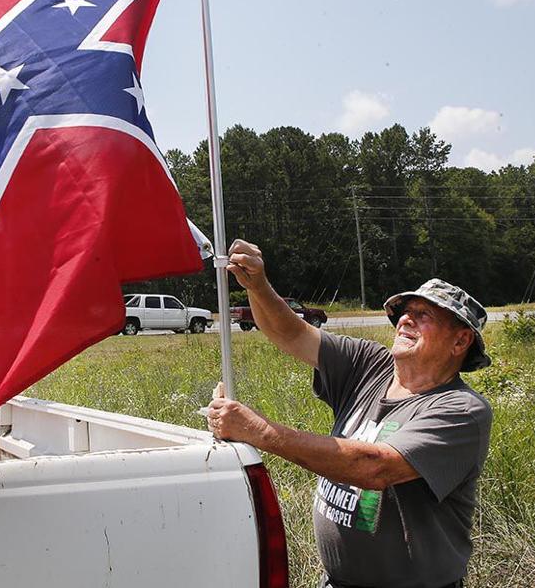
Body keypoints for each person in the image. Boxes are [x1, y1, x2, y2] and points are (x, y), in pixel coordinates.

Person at [206, 239, 492, 588]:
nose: (405, 320)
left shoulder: (462, 410)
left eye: (423, 315)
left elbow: (374, 467)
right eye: (405, 311)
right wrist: (257, 285)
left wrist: (259, 431)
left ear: (460, 342)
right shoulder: (369, 364)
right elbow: (292, 333)